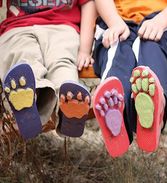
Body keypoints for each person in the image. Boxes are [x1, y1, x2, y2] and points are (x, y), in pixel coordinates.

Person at [92, 0, 167, 157]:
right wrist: (114, 22)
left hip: (165, 20)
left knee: (154, 50)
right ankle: (115, 112)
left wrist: (161, 21)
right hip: (118, 21)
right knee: (116, 50)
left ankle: (156, 105)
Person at [0, 0, 97, 139]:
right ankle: (30, 97)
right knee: (23, 59)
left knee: (62, 62)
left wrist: (84, 49)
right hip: (18, 27)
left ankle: (69, 109)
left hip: (62, 27)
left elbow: (88, 3)